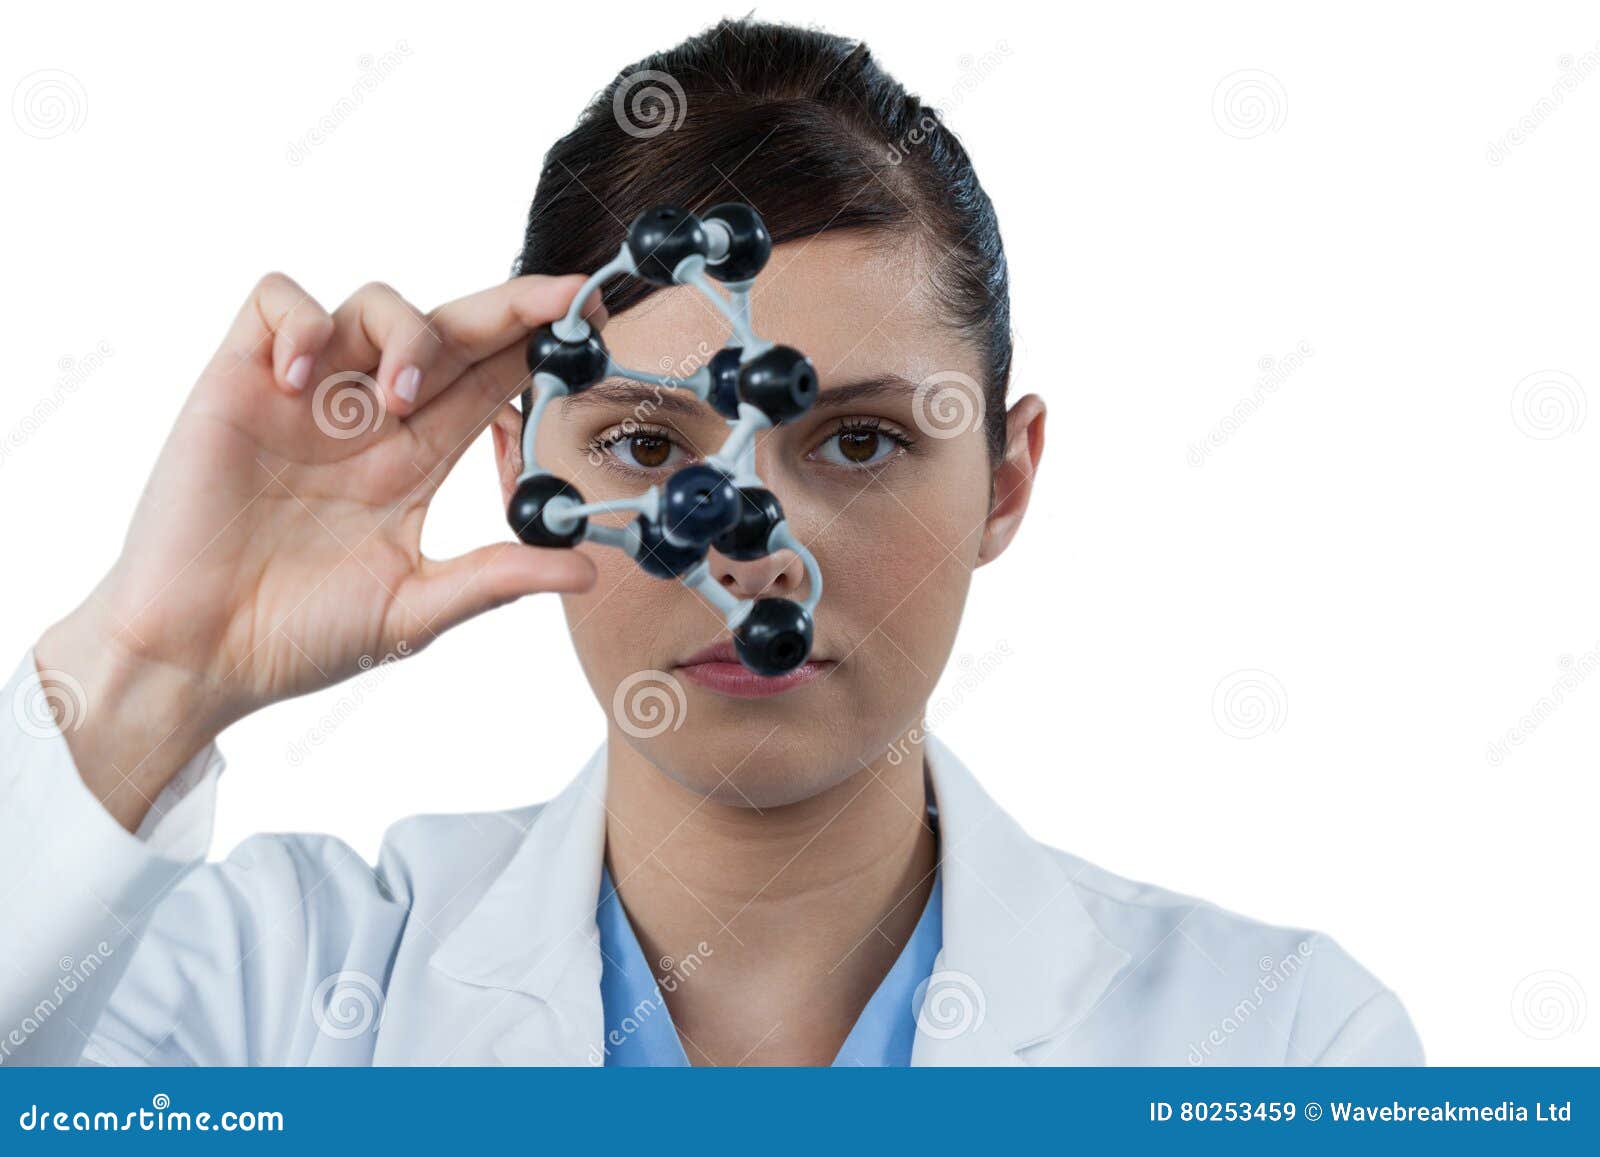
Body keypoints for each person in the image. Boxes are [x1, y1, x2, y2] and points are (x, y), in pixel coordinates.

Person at [0, 18, 1422, 1067]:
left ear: (1004, 480)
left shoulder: (1286, 1051)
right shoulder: (265, 992)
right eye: (643, 444)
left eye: (857, 441)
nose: (751, 548)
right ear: (513, 468)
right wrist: (154, 662)